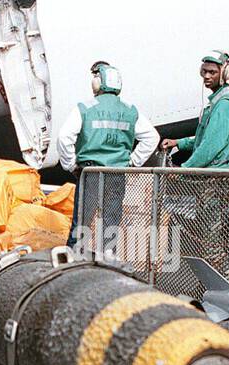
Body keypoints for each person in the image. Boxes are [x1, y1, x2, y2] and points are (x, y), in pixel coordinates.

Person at [56, 60, 159, 249]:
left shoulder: (85, 108)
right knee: (111, 222)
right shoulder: (129, 110)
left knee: (81, 224)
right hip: (117, 174)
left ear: (98, 82)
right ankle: (107, 259)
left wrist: (71, 165)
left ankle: (74, 262)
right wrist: (132, 162)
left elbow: (64, 137)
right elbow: (152, 137)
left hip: (91, 173)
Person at [159, 51, 229, 169]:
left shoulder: (224, 103)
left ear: (225, 74)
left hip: (222, 175)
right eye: (204, 71)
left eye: (212, 72)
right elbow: (204, 139)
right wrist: (178, 143)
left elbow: (211, 145)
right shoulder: (217, 100)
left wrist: (185, 168)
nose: (206, 76)